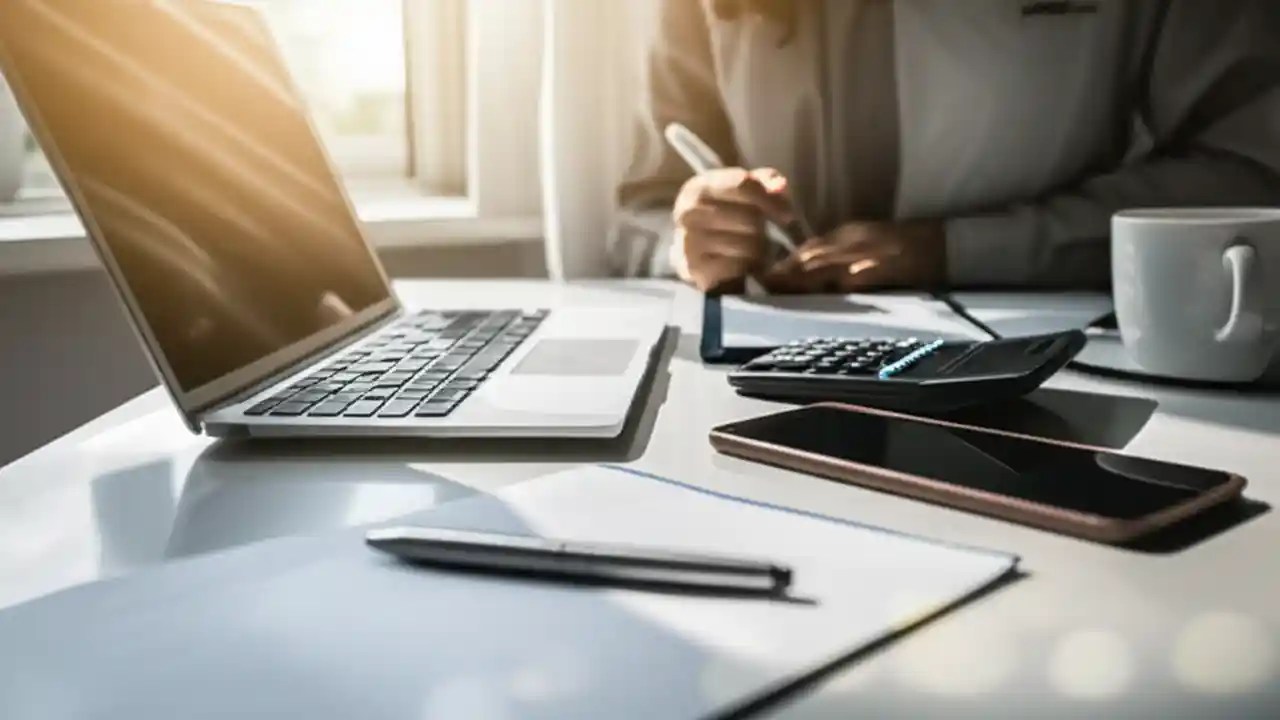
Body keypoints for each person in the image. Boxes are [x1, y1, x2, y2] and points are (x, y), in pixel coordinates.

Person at [611, 0, 1280, 294]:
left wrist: (960, 250)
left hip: (1060, 352)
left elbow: (1252, 176)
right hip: (764, 358)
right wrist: (689, 241)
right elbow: (642, 211)